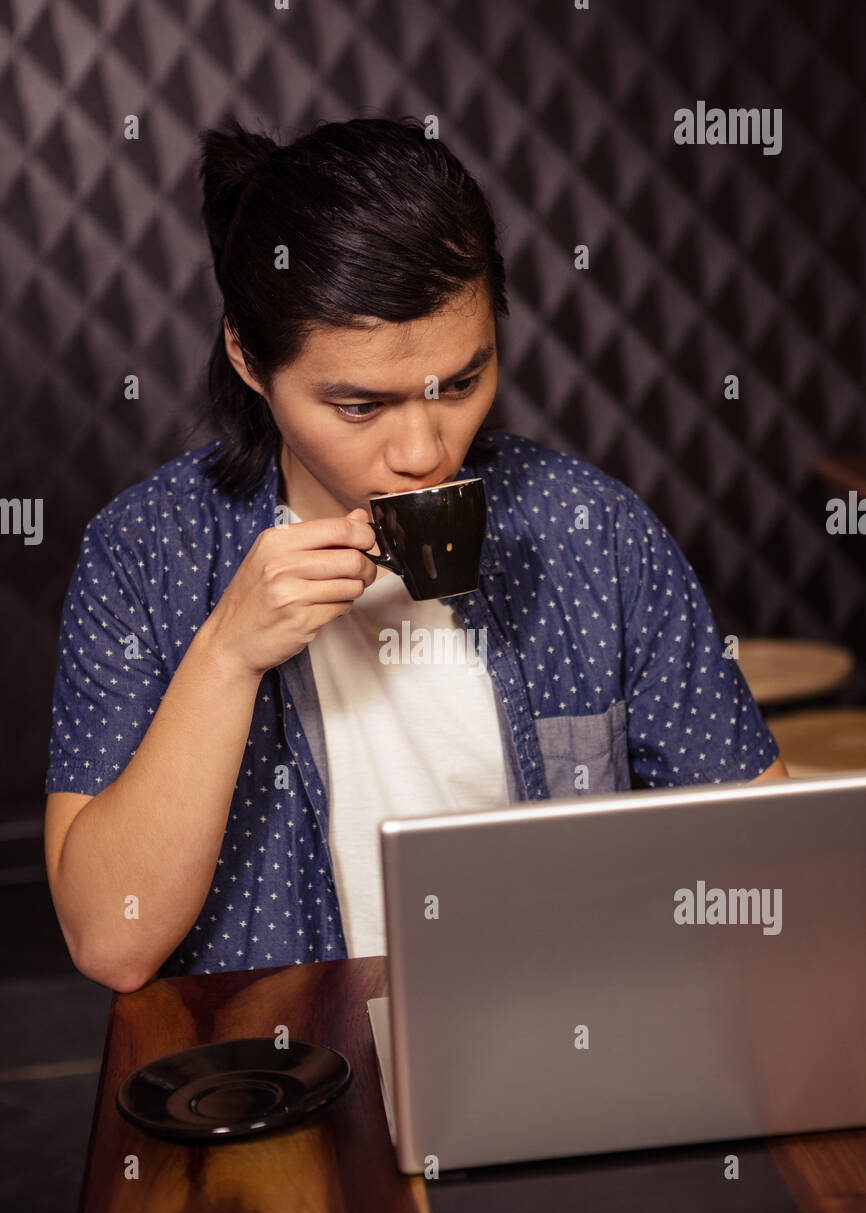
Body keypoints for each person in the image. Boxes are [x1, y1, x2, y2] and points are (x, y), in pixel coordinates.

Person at [43, 116, 786, 991]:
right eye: (360, 406)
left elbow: (770, 877)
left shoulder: (594, 530)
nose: (425, 450)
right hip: (291, 1083)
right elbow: (109, 941)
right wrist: (227, 656)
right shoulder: (146, 552)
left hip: (567, 1044)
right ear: (248, 357)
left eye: (461, 383)